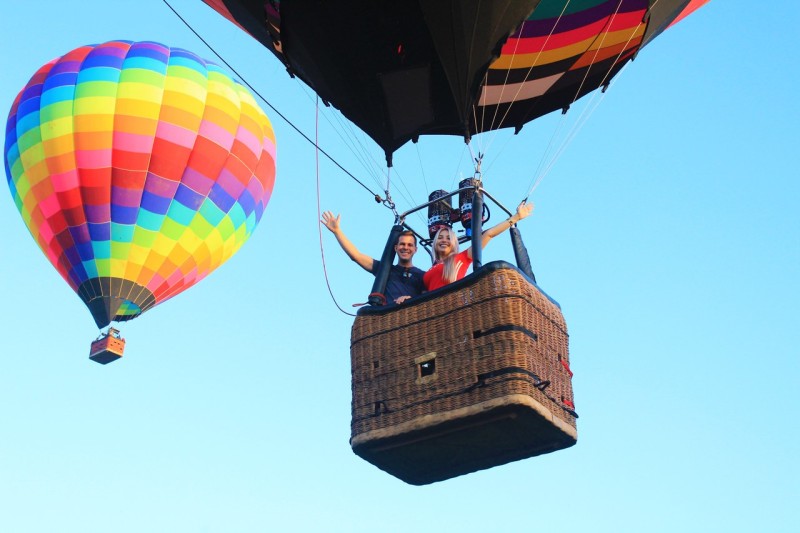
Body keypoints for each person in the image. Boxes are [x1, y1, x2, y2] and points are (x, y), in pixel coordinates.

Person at [424, 201, 534, 291]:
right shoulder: (429, 270)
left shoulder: (461, 258)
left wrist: (515, 217)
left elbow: (489, 234)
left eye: (448, 238)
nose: (444, 240)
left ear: (453, 243)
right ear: (435, 243)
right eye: (440, 237)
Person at [321, 211, 425, 304]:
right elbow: (356, 256)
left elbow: (426, 299)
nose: (405, 247)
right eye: (402, 244)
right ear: (396, 248)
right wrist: (337, 231)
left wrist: (411, 299)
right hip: (389, 319)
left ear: (415, 249)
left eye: (410, 245)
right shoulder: (385, 269)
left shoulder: (422, 275)